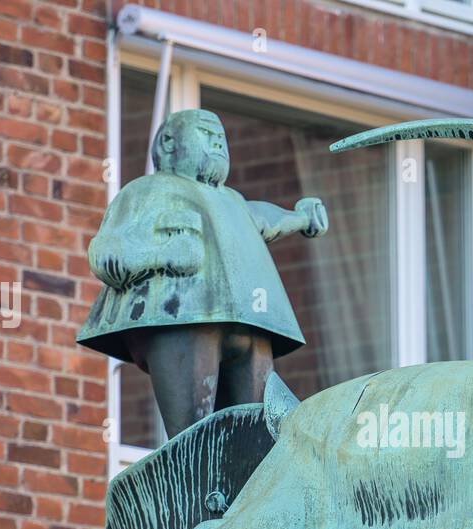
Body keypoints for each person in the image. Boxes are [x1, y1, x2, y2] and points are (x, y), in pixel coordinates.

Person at [80, 109, 328, 437]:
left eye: (221, 138)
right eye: (206, 133)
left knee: (259, 440)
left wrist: (301, 217)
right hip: (182, 319)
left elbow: (266, 219)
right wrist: (161, 254)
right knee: (192, 437)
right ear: (168, 144)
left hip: (252, 324)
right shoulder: (148, 190)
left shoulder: (233, 200)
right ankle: (188, 480)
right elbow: (106, 252)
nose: (217, 143)